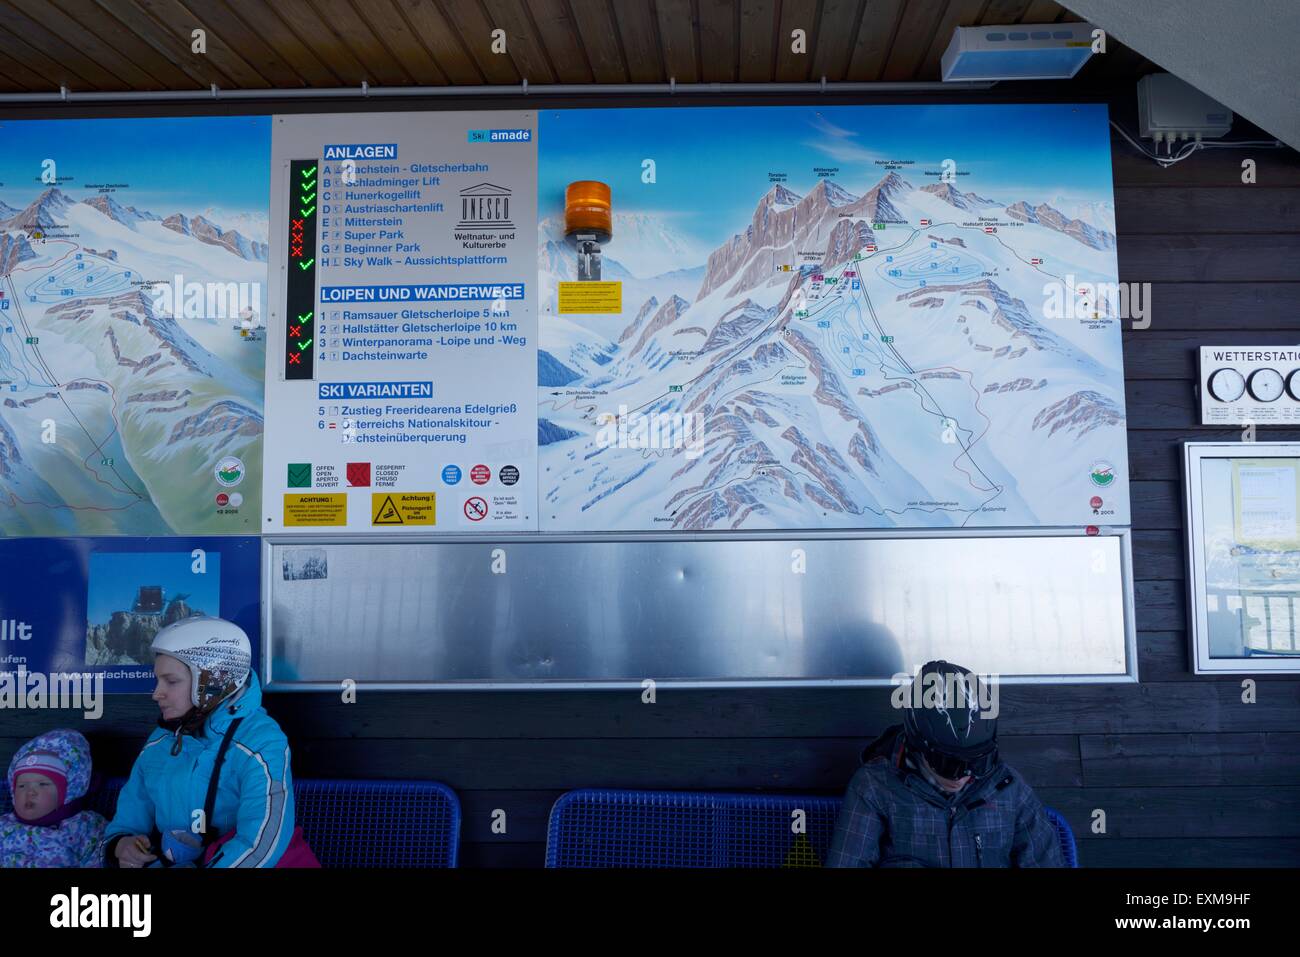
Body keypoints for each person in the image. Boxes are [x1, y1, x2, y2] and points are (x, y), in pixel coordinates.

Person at [827, 659, 1064, 867]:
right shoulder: (876, 787)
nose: (964, 775)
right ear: (918, 747)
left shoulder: (1008, 789)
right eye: (949, 763)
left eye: (978, 761)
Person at [103, 616, 297, 868]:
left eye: (171, 681)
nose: (156, 693)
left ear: (214, 680)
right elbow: (128, 821)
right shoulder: (161, 742)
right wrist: (121, 845)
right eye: (158, 680)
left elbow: (260, 843)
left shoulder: (260, 743)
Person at [1, 729, 106, 867]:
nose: (30, 792)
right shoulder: (4, 827)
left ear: (68, 792)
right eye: (21, 786)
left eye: (43, 784)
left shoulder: (85, 827)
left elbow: (100, 860)